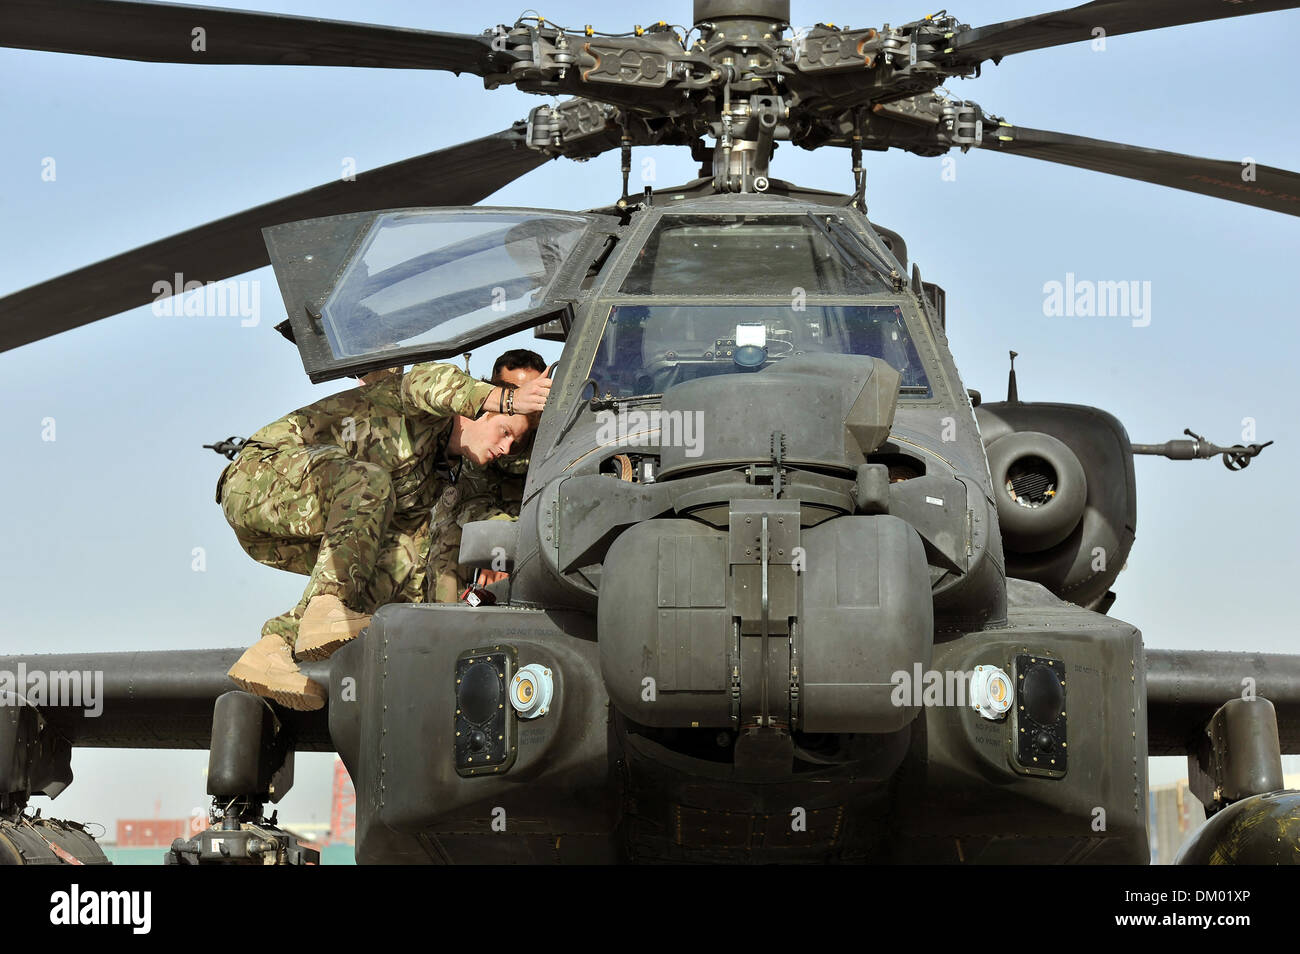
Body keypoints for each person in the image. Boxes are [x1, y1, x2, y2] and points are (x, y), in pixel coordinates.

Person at [219, 361, 549, 710]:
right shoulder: (427, 408)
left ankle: (272, 648)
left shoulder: (429, 484)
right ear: (483, 412)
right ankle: (327, 608)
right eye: (506, 432)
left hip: (285, 534)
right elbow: (430, 382)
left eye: (514, 443)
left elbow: (410, 567)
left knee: (394, 562)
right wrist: (511, 399)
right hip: (261, 478)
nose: (507, 448)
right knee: (369, 483)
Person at [425, 349, 548, 601]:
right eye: (514, 392)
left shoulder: (551, 436)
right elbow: (469, 503)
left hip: (533, 531)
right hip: (486, 526)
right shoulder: (479, 432)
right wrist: (499, 546)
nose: (525, 401)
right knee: (449, 536)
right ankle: (447, 623)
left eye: (534, 392)